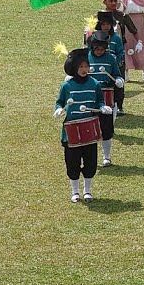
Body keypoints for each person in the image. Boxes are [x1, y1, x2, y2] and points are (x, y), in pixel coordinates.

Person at [54, 47, 109, 202]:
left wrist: (103, 107)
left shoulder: (95, 84)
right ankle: (75, 191)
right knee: (72, 163)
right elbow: (59, 102)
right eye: (81, 67)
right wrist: (59, 110)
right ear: (74, 68)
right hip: (71, 130)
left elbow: (99, 100)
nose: (84, 69)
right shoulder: (67, 86)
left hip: (89, 128)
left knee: (90, 162)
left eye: (86, 66)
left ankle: (87, 191)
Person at [86, 30, 123, 168]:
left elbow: (117, 74)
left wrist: (119, 80)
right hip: (89, 97)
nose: (99, 51)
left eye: (102, 49)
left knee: (106, 128)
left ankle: (107, 156)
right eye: (97, 49)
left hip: (107, 97)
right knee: (89, 129)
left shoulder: (110, 59)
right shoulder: (86, 58)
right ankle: (90, 158)